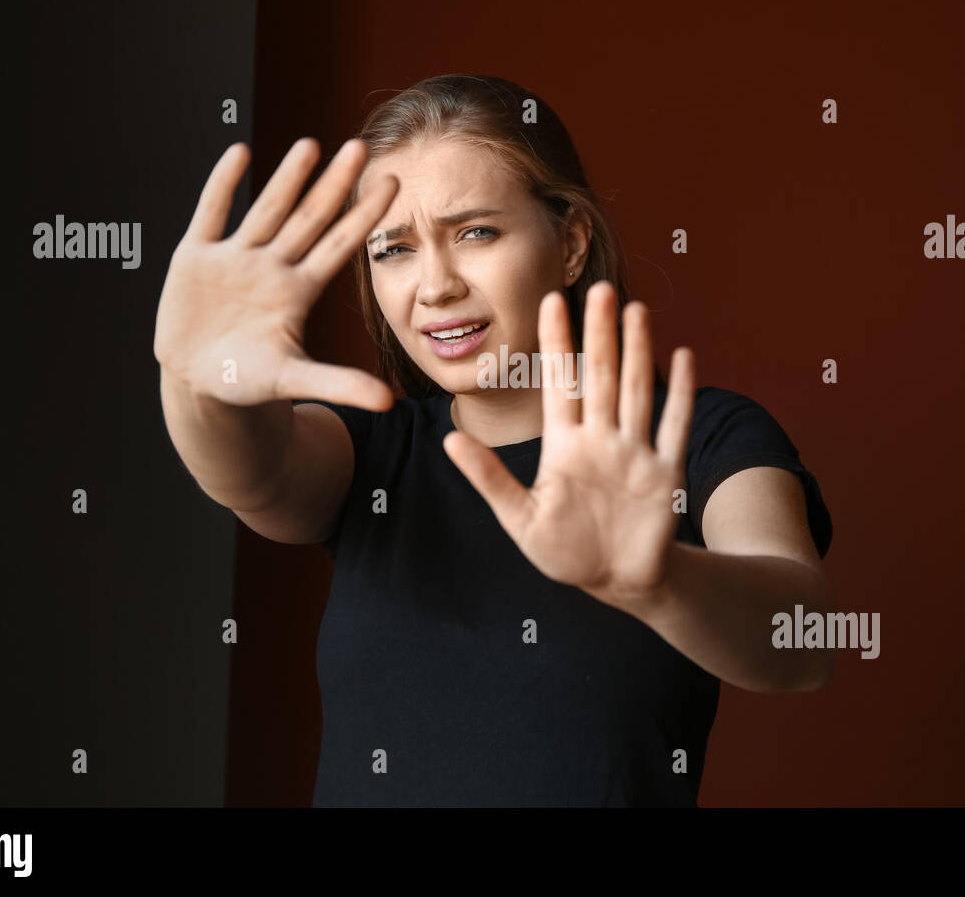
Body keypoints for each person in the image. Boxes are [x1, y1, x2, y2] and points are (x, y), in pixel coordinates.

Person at [154, 74, 835, 807]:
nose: (435, 286)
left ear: (570, 242)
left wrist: (658, 580)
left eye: (476, 232)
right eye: (394, 249)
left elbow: (805, 639)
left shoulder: (706, 436)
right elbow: (250, 475)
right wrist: (197, 381)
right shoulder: (374, 454)